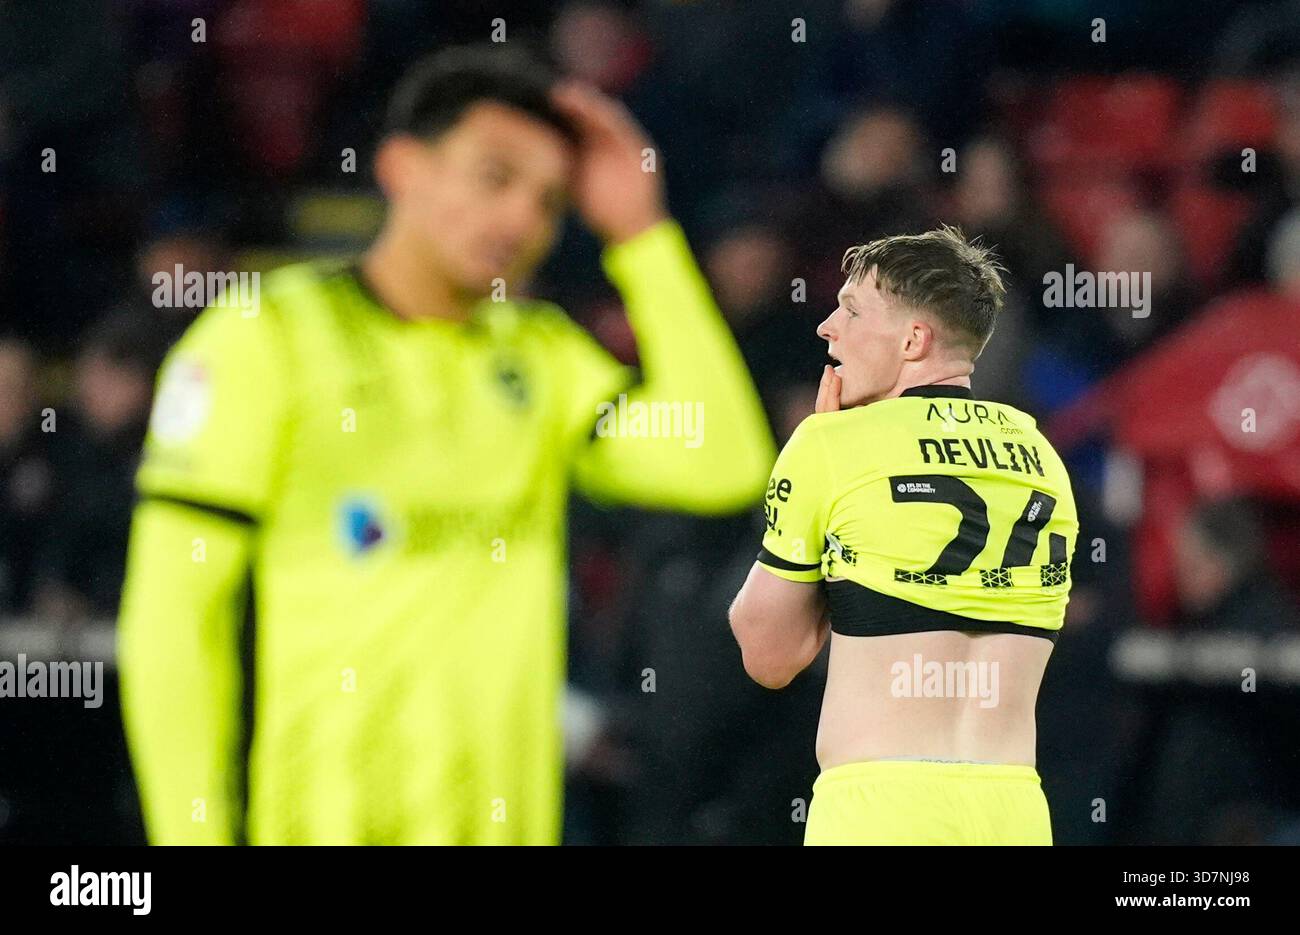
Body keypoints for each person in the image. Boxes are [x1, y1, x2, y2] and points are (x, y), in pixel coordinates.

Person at [117, 44, 774, 845]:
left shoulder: (541, 354)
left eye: (549, 199)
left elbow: (724, 463)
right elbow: (174, 620)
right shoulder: (266, 338)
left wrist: (641, 235)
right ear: (401, 166)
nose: (521, 221)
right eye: (494, 178)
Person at [728, 225, 1078, 845]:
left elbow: (770, 656)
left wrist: (817, 468)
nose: (827, 326)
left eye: (852, 310)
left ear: (914, 340)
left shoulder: (832, 443)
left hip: (882, 810)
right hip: (1017, 810)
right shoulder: (1043, 456)